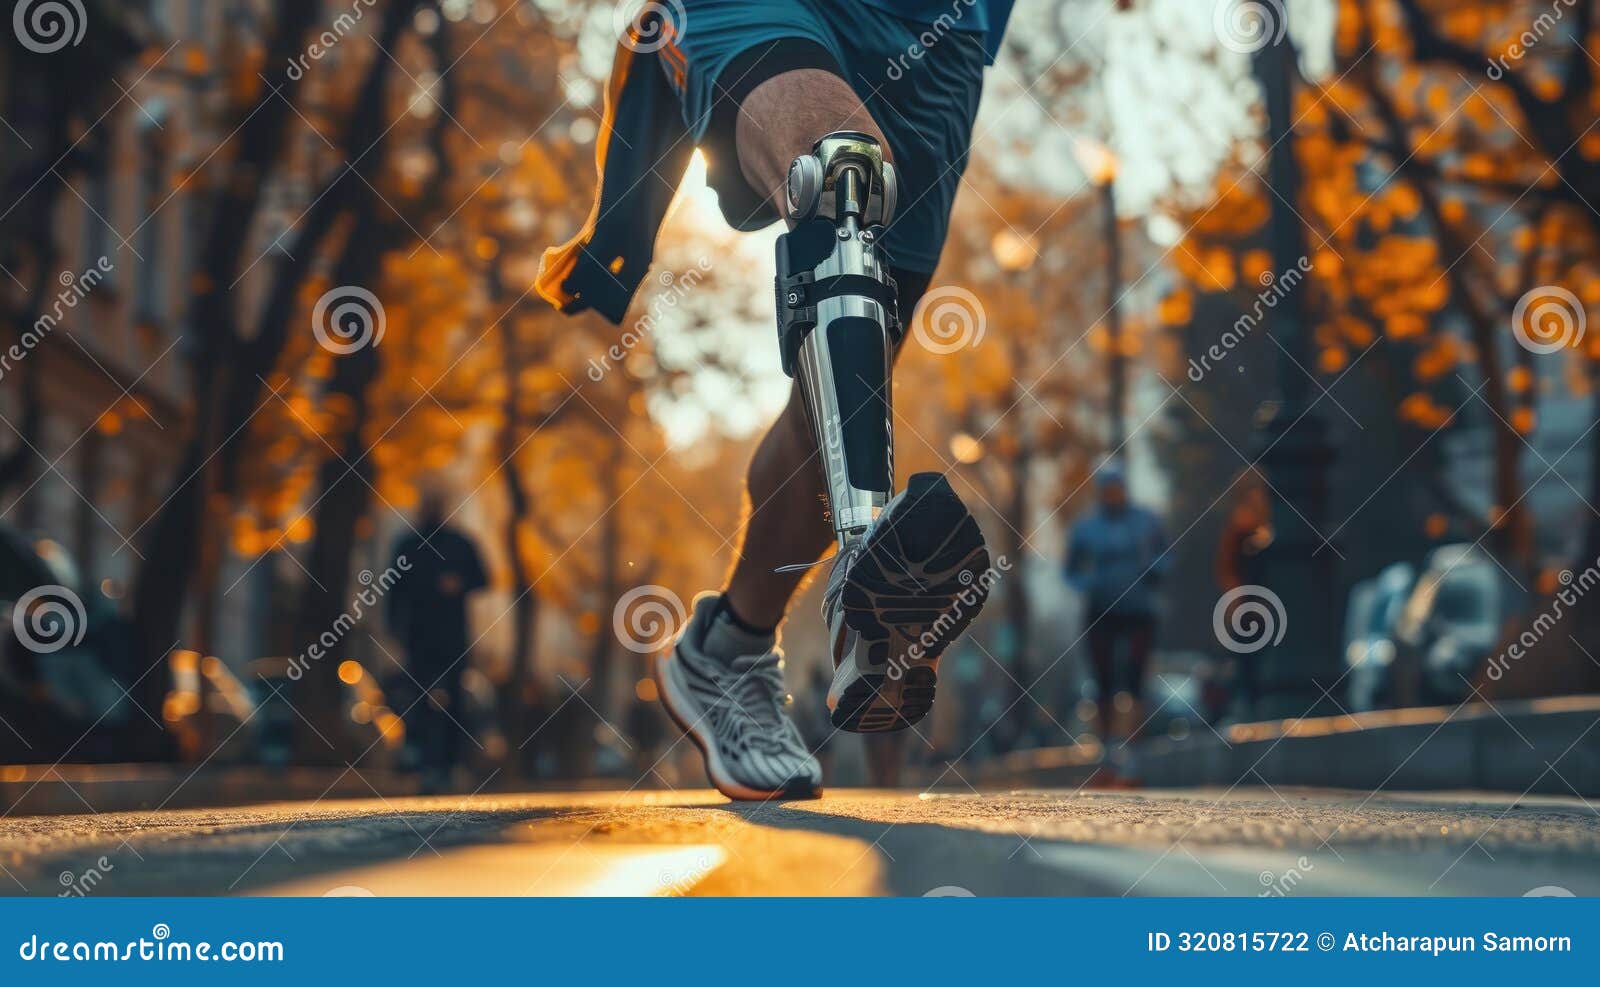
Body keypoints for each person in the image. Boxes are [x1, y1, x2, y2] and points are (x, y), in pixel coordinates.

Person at [539, 1, 1016, 799]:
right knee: (841, 170)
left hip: (942, 37)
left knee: (841, 387)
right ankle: (872, 577)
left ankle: (728, 644)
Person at [1064, 463, 1168, 768]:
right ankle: (1107, 744)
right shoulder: (1086, 528)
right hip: (1101, 609)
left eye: (1117, 490)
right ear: (1100, 494)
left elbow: (1167, 554)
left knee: (1136, 673)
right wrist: (1088, 585)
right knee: (1103, 676)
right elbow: (1070, 570)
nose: (1113, 495)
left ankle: (1136, 744)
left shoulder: (1147, 521)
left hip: (1139, 609)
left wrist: (1154, 570)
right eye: (1107, 491)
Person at [385, 489, 487, 795]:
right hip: (420, 636)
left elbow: (483, 579)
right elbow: (393, 592)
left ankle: (448, 763)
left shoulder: (459, 544)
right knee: (419, 698)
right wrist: (393, 629)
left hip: (450, 637)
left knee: (453, 699)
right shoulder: (408, 545)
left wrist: (460, 582)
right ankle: (426, 761)